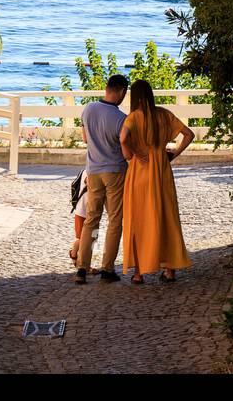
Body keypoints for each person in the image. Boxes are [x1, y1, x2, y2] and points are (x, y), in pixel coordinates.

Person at [120, 78, 194, 284]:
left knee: (138, 220)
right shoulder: (163, 115)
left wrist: (133, 152)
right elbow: (189, 134)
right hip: (161, 170)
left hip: (139, 173)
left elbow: (122, 139)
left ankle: (138, 273)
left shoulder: (133, 118)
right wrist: (174, 154)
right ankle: (170, 270)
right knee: (166, 217)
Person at [74, 73, 129, 284]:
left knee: (92, 219)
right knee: (115, 220)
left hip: (93, 170)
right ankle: (107, 269)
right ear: (122, 92)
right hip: (115, 171)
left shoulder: (88, 109)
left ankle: (82, 267)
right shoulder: (121, 119)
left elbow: (86, 138)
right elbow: (125, 150)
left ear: (106, 88)